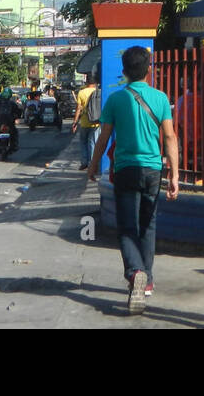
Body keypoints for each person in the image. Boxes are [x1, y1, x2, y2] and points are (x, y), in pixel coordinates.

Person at [87, 46, 179, 314]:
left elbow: (103, 138)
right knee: (148, 226)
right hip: (152, 169)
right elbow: (170, 137)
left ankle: (135, 271)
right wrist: (175, 174)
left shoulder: (115, 100)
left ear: (124, 71)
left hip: (126, 169)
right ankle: (147, 280)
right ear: (149, 69)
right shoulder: (160, 98)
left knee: (127, 227)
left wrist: (93, 166)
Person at [72, 74, 100, 169]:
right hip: (96, 122)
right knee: (92, 143)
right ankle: (92, 163)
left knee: (83, 142)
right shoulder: (98, 91)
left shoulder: (82, 92)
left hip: (84, 122)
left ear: (87, 82)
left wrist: (75, 122)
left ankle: (84, 162)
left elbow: (78, 109)